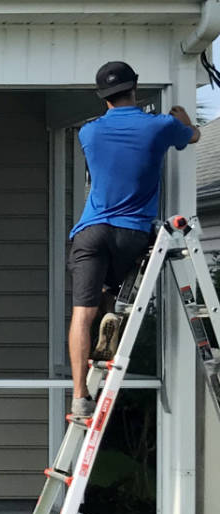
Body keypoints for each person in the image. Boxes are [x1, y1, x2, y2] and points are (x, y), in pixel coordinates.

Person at [68, 61, 200, 418]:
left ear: (103, 98)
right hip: (133, 232)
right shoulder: (160, 127)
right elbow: (193, 136)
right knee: (115, 286)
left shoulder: (88, 132)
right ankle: (111, 312)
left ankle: (80, 395)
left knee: (82, 314)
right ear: (135, 89)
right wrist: (182, 117)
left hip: (91, 231)